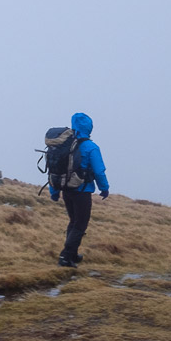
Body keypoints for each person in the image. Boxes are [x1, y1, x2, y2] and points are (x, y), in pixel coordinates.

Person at [48, 112, 109, 267]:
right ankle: (66, 257)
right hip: (82, 191)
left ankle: (73, 254)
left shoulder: (64, 145)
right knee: (80, 224)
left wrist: (54, 192)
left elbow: (54, 169)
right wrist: (104, 188)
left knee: (74, 222)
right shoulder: (90, 147)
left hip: (66, 190)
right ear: (89, 127)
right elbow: (99, 171)